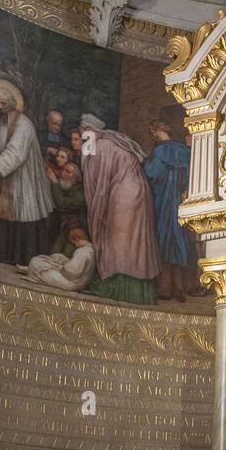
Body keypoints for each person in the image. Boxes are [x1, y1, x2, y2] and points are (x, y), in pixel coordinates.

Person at [79, 113, 160, 306]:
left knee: (118, 241)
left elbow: (96, 183)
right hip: (139, 191)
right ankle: (139, 292)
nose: (82, 136)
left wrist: (96, 211)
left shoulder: (99, 145)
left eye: (83, 132)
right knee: (135, 241)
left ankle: (117, 288)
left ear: (89, 131)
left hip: (123, 195)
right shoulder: (114, 140)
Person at [0, 79, 54, 263]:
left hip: (22, 173)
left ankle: (21, 258)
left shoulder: (24, 124)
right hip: (0, 170)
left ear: (12, 101)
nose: (0, 106)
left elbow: (17, 150)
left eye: (4, 103)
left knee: (21, 209)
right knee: (0, 209)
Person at [143, 118, 190, 301]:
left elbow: (152, 173)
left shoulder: (161, 150)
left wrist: (145, 163)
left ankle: (164, 289)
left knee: (163, 240)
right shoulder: (183, 150)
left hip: (163, 201)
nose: (152, 136)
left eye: (152, 132)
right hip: (178, 201)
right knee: (178, 241)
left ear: (156, 131)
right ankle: (179, 289)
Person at [21, 226, 95, 292]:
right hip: (80, 281)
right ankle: (36, 267)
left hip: (71, 284)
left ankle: (31, 268)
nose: (74, 245)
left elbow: (71, 273)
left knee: (34, 262)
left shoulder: (81, 252)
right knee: (58, 256)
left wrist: (59, 268)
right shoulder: (91, 248)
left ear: (77, 239)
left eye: (74, 242)